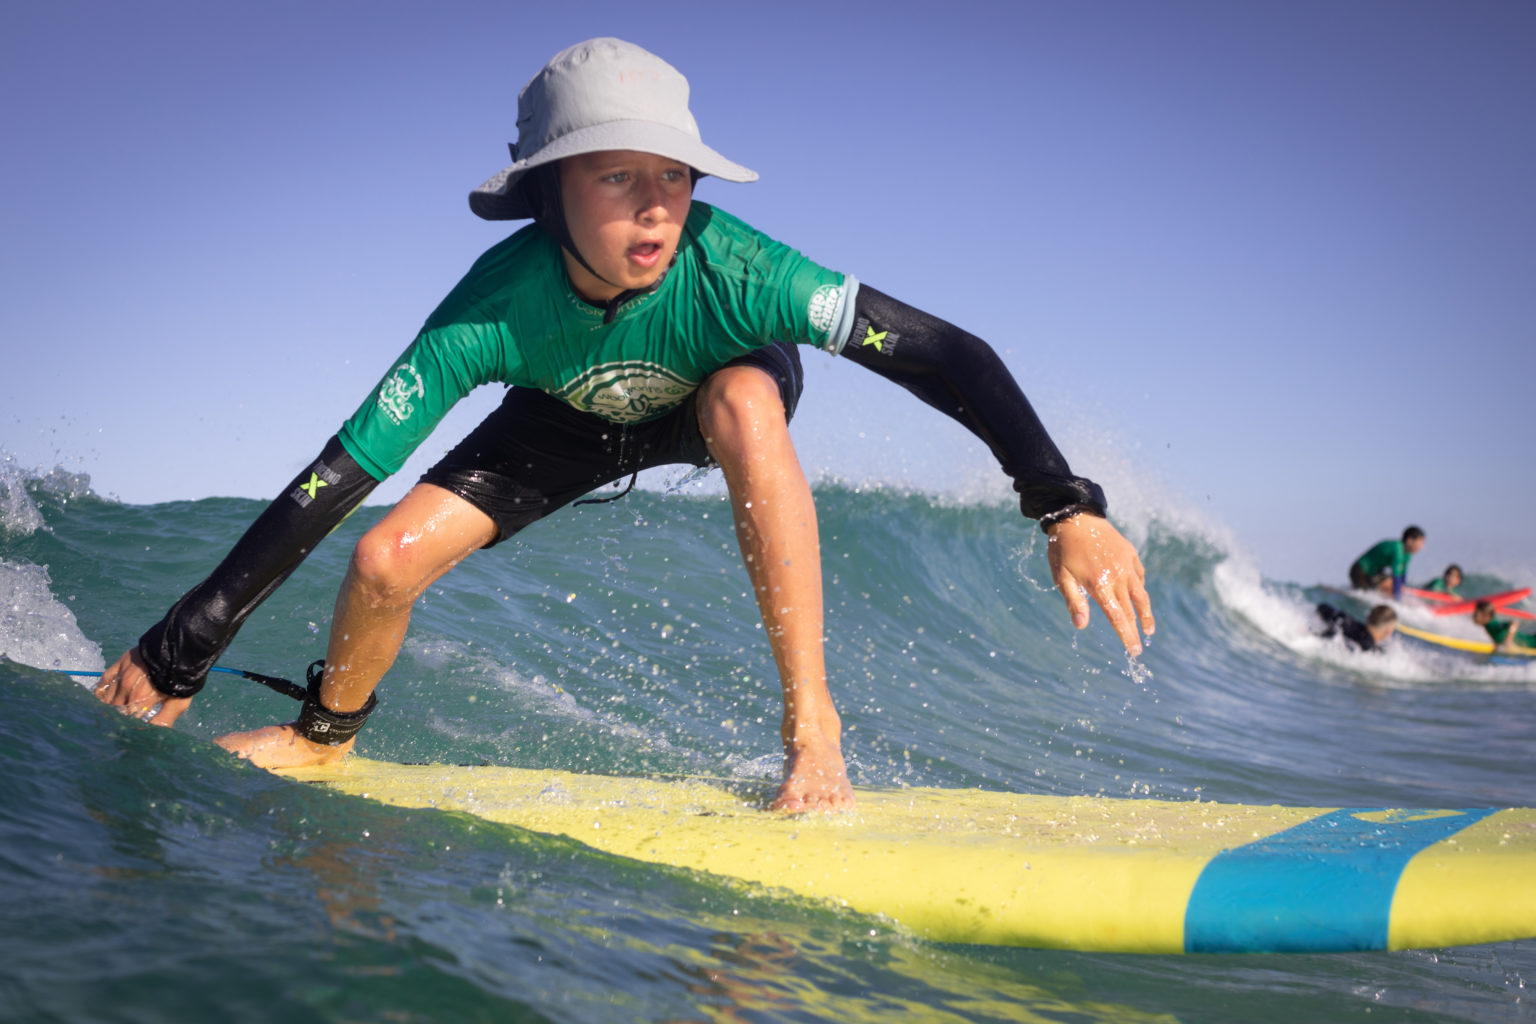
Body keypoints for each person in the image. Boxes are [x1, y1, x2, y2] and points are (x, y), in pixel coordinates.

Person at [91, 37, 1153, 813]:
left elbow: (948, 354)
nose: (656, 207)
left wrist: (1064, 504)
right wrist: (186, 644)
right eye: (617, 177)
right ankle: (328, 735)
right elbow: (340, 472)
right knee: (382, 556)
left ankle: (813, 728)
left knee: (743, 400)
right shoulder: (491, 308)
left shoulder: (735, 267)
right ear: (549, 191)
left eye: (675, 177)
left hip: (708, 392)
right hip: (563, 419)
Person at [1348, 526, 1425, 598]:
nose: (1421, 547)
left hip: (1375, 573)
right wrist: (1398, 599)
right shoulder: (1397, 549)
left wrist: (1402, 593)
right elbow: (1396, 576)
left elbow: (1403, 575)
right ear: (1410, 540)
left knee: (1390, 588)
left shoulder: (1407, 554)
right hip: (1360, 571)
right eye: (1420, 542)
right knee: (1366, 594)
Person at [1316, 603, 1397, 653]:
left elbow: (1322, 607)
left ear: (1369, 618)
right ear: (1389, 630)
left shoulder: (1347, 621)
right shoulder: (1372, 650)